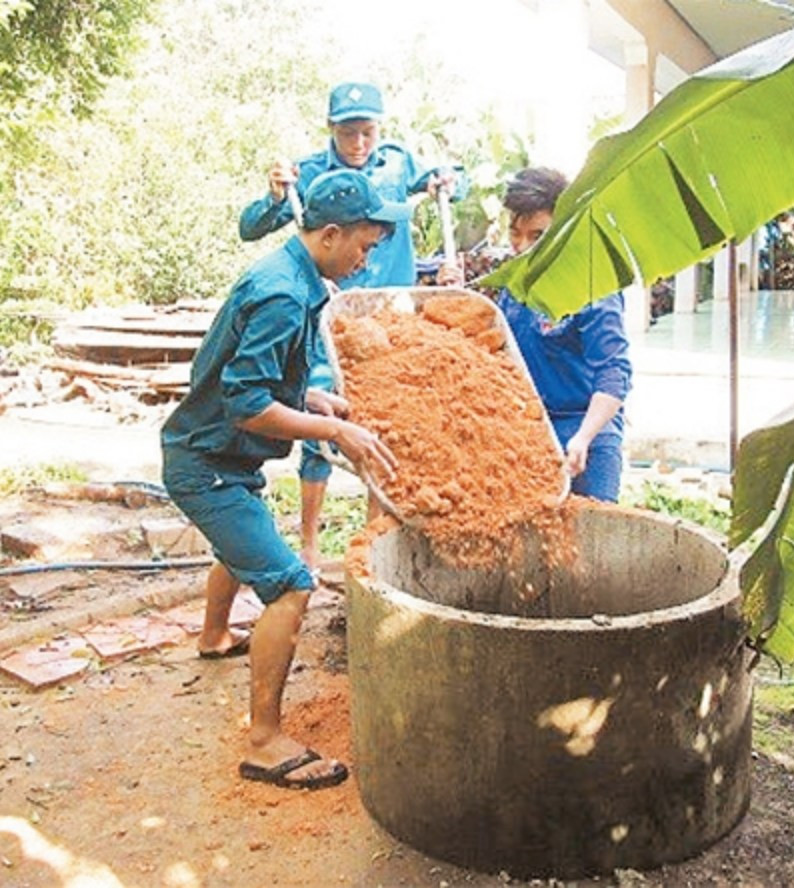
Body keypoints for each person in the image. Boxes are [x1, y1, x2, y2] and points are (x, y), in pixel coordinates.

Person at [163, 168, 401, 790]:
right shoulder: (283, 295)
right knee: (290, 585)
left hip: (218, 455)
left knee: (244, 543)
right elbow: (246, 404)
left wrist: (312, 398)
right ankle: (265, 741)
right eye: (363, 246)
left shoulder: (292, 276)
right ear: (330, 234)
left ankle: (215, 636)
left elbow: (260, 378)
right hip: (207, 463)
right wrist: (336, 431)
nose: (365, 260)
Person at [239, 81, 459, 570]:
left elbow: (447, 182)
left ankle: (372, 541)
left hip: (390, 316)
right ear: (330, 129)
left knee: (387, 422)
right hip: (331, 317)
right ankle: (309, 545)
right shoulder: (310, 174)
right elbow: (250, 226)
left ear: (379, 128)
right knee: (322, 420)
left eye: (367, 132)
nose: (358, 143)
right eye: (347, 133)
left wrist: (446, 180)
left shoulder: (398, 163)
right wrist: (274, 195)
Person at [443, 167, 632, 501]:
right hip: (529, 431)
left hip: (586, 433)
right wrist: (455, 297)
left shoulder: (592, 285)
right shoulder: (516, 284)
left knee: (592, 527)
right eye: (515, 233)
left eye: (536, 236)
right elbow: (494, 347)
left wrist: (584, 438)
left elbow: (614, 373)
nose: (522, 246)